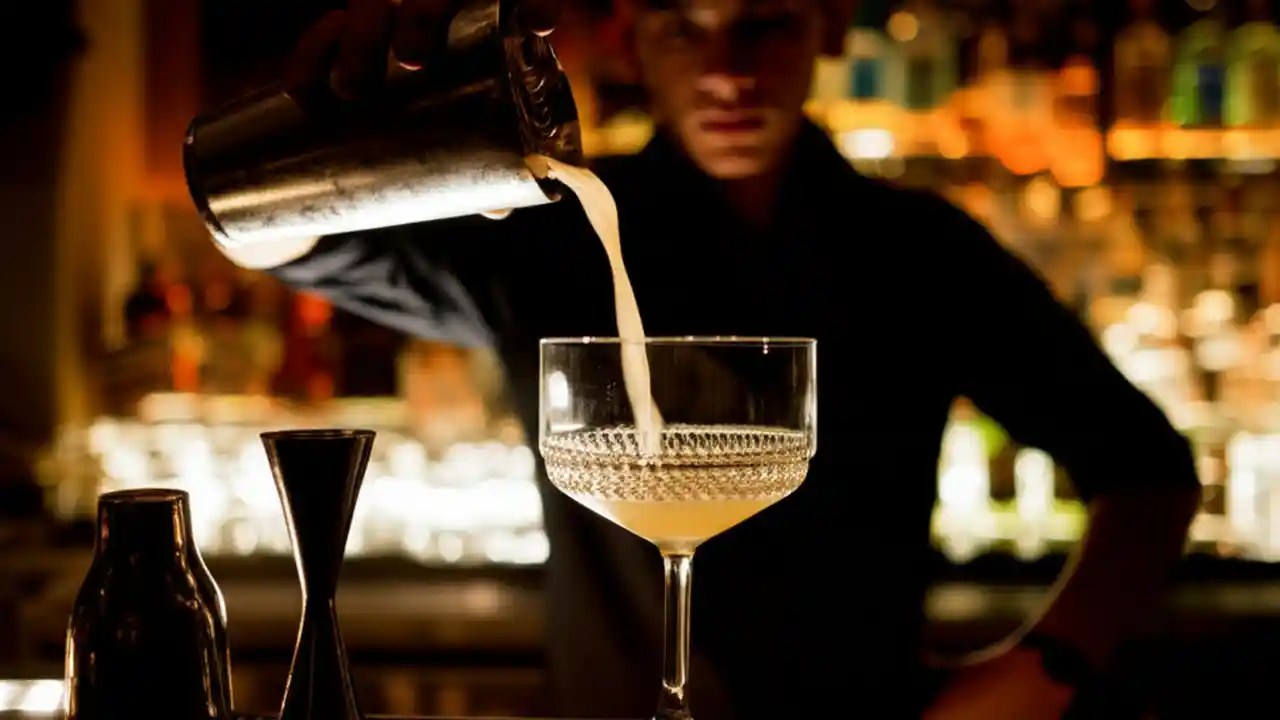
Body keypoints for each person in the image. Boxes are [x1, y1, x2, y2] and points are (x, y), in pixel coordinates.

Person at [215, 0, 1200, 717]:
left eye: (762, 23)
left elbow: (1145, 470)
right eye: (685, 27)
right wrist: (320, 113)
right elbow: (293, 240)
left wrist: (1043, 672)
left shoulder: (914, 250)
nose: (727, 68)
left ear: (827, 27)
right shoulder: (552, 231)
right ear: (631, 37)